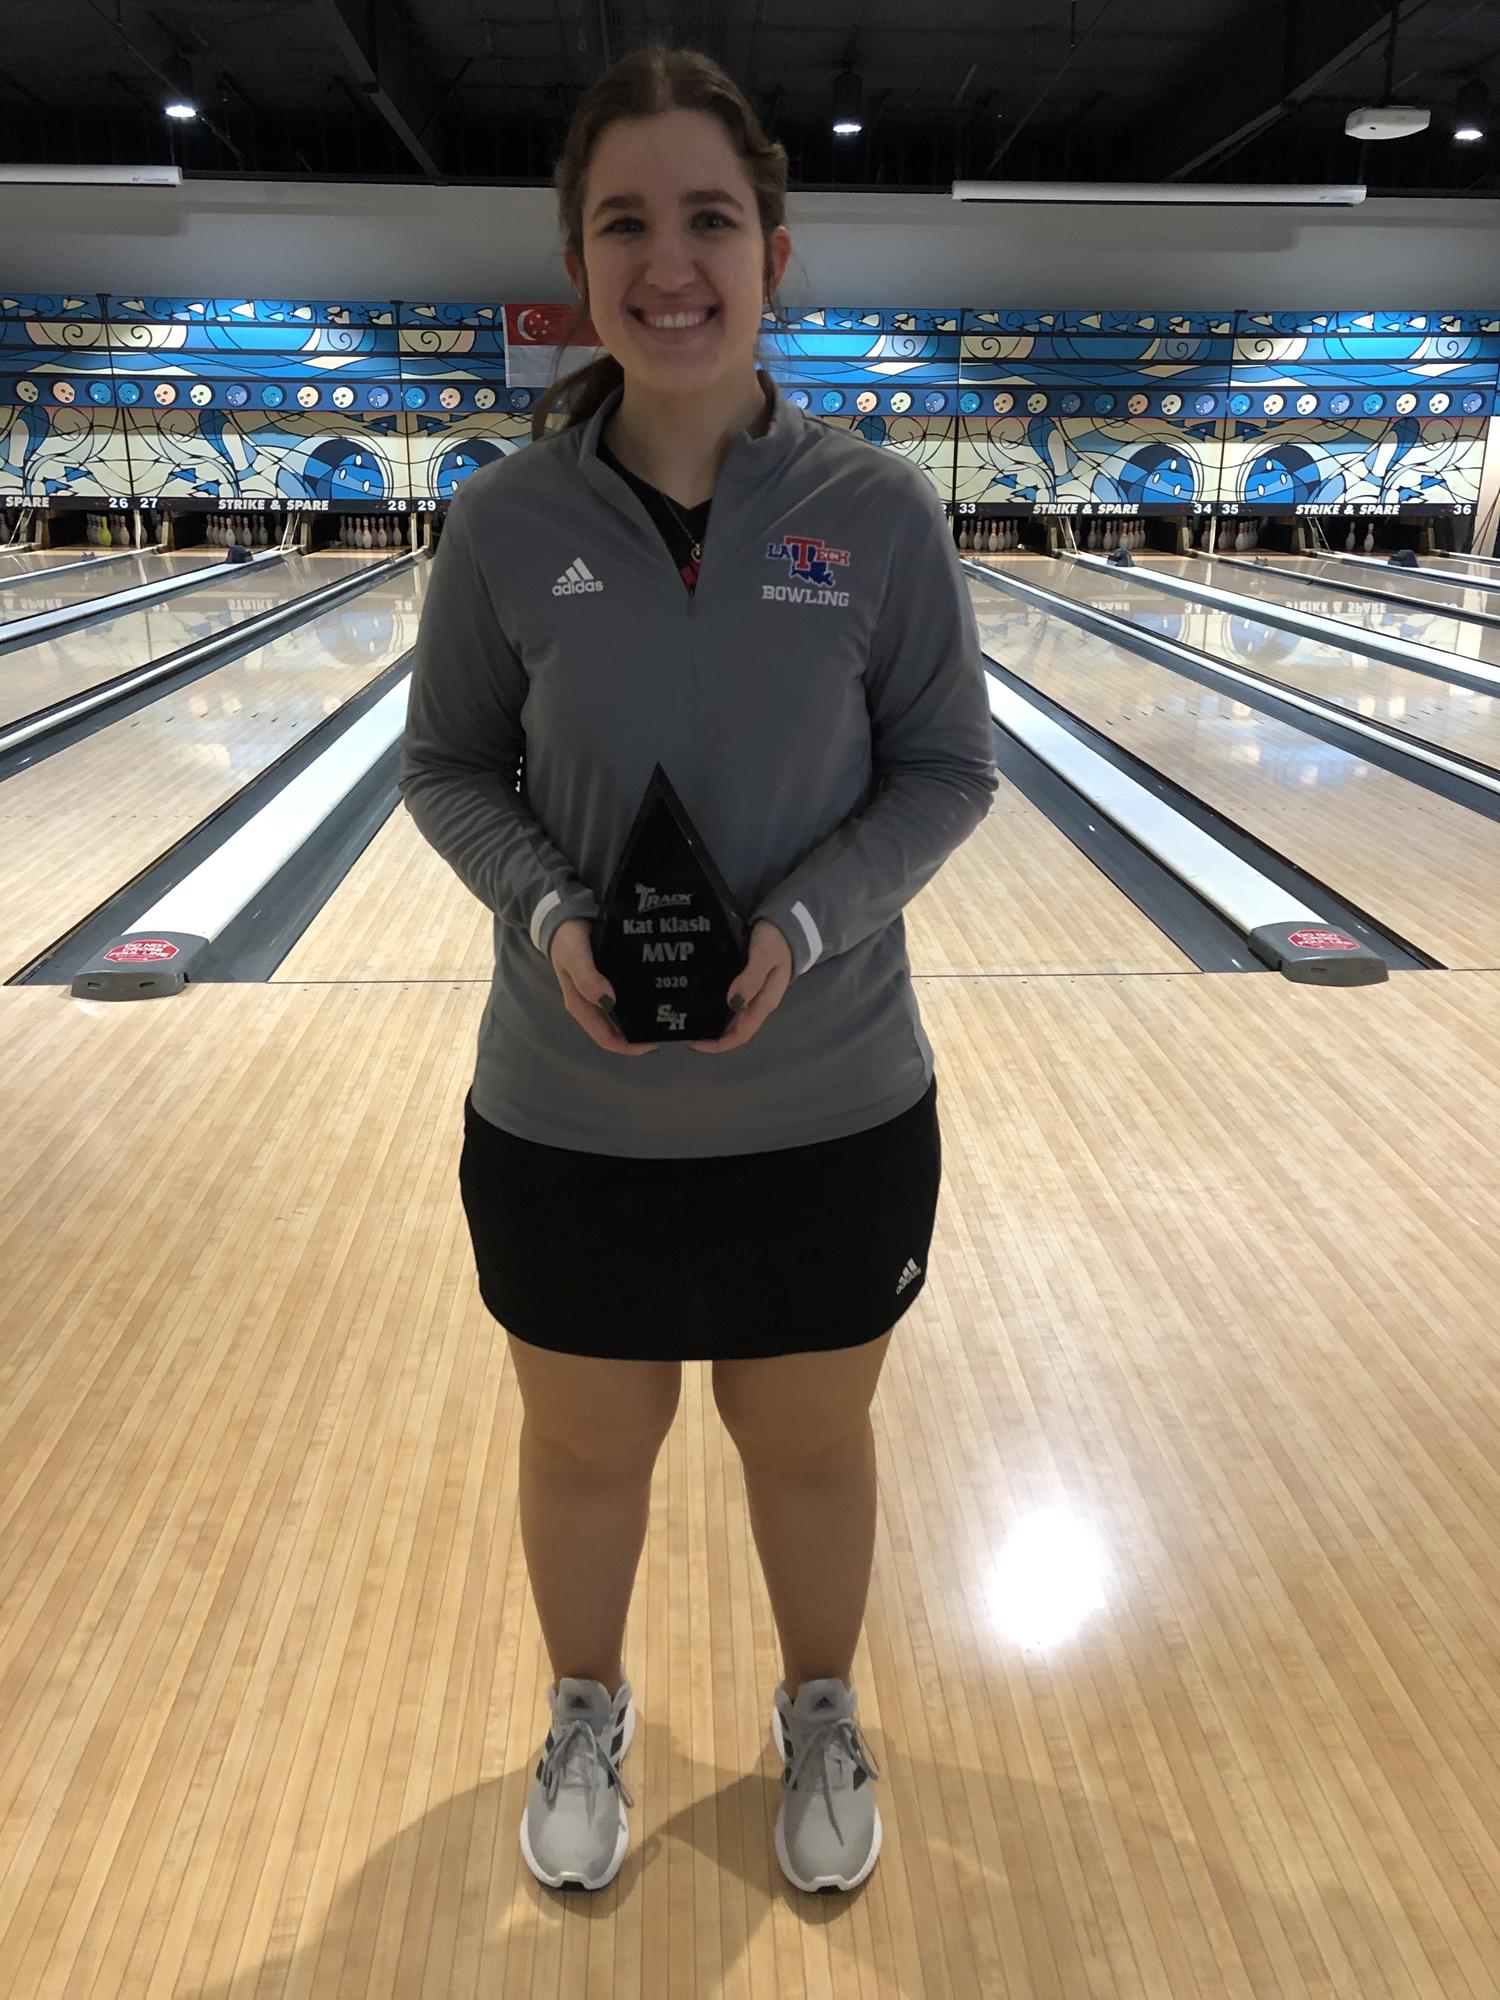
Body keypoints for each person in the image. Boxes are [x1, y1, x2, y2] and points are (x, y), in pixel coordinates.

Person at [399, 42, 998, 1897]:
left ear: (777, 253)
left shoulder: (878, 512)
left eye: (709, 219)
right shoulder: (502, 525)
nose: (672, 262)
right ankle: (588, 1705)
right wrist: (551, 911)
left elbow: (947, 772)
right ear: (580, 264)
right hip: (570, 1113)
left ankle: (821, 1708)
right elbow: (444, 771)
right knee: (588, 1453)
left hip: (827, 1107)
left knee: (807, 1448)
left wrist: (805, 918)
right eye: (626, 223)